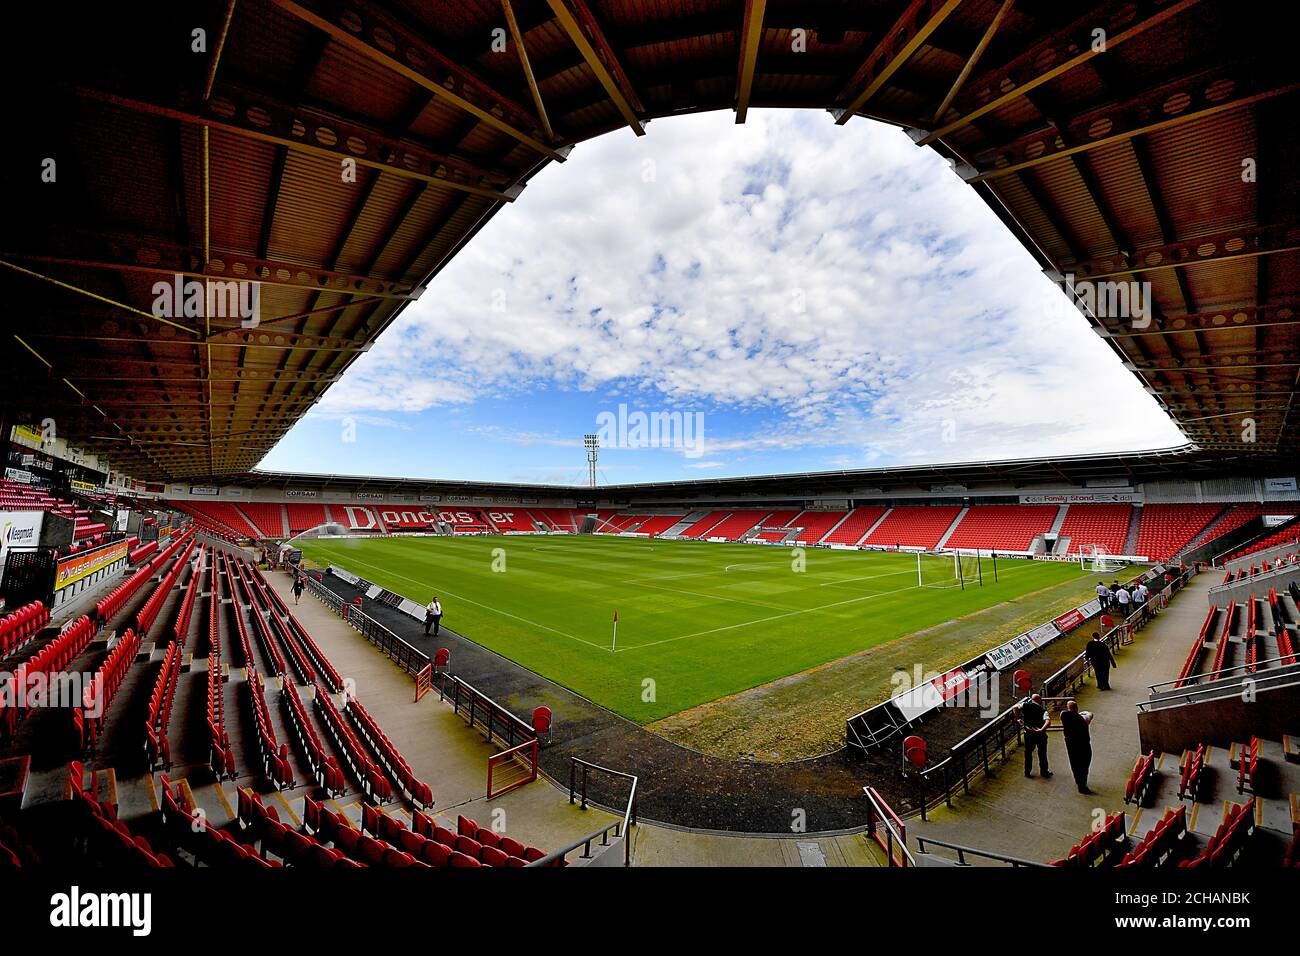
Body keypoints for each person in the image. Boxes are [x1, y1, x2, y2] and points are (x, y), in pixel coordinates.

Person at [1060, 700, 1093, 794]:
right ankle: (1083, 785)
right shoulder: (1083, 719)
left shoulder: (1064, 716)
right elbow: (1090, 714)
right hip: (1083, 744)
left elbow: (1065, 712)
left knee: (1074, 763)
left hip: (1071, 744)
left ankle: (1078, 781)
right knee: (1084, 764)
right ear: (1077, 708)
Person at [1020, 693, 1052, 778]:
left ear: (1032, 699)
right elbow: (1048, 722)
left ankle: (1027, 772)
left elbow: (1015, 708)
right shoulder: (1043, 711)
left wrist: (1018, 719)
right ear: (1039, 700)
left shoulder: (1025, 705)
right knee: (1042, 753)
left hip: (1029, 734)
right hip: (1040, 735)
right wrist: (1042, 729)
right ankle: (1044, 772)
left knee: (1028, 753)